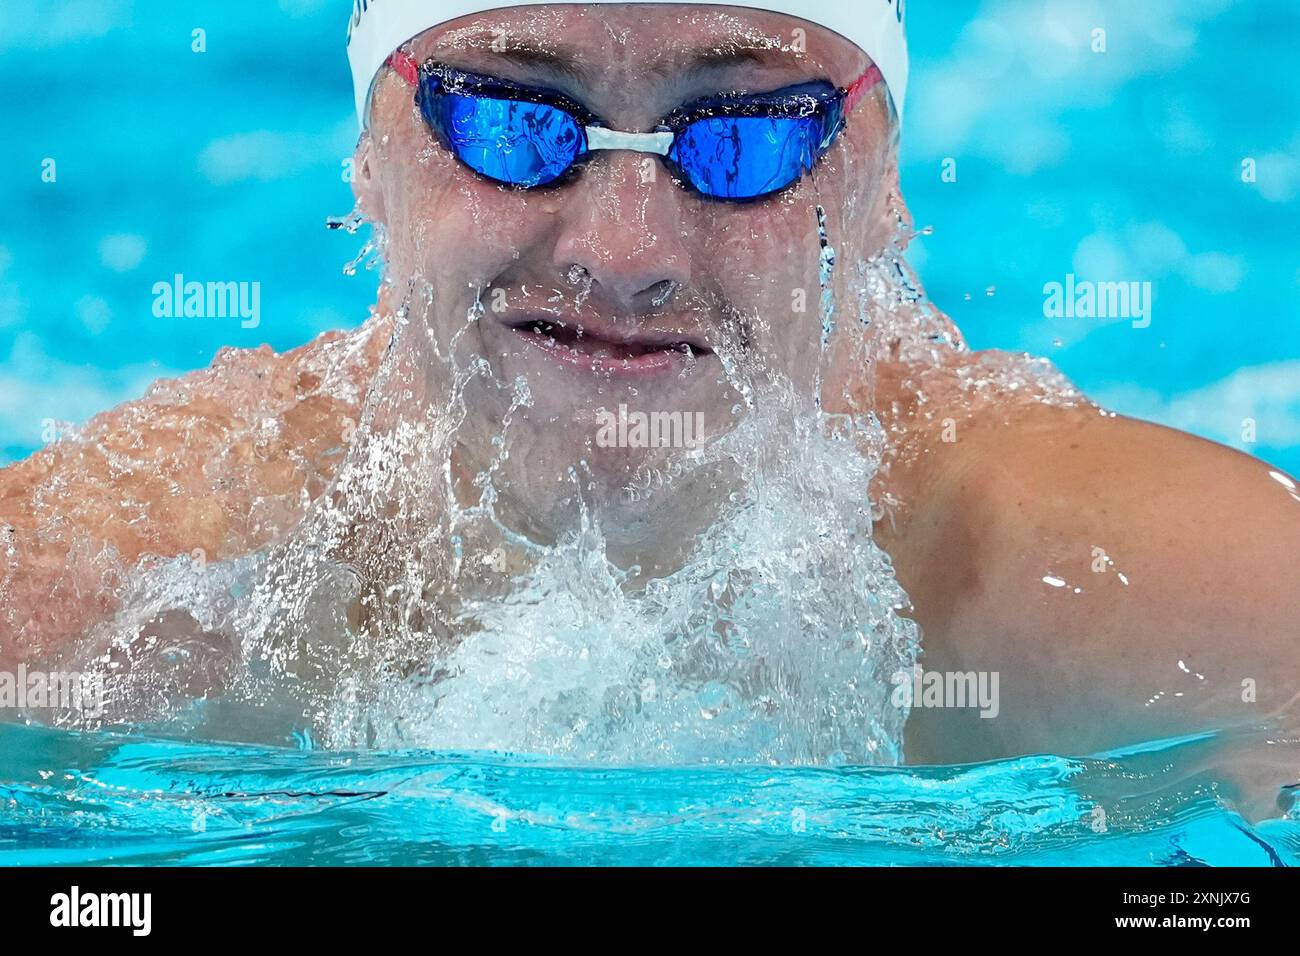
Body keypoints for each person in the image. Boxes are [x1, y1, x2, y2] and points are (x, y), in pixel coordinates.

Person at [1, 2, 1296, 771]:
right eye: (514, 122)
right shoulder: (118, 588)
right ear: (369, 162)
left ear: (875, 180)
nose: (623, 255)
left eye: (741, 140)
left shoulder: (1160, 602)